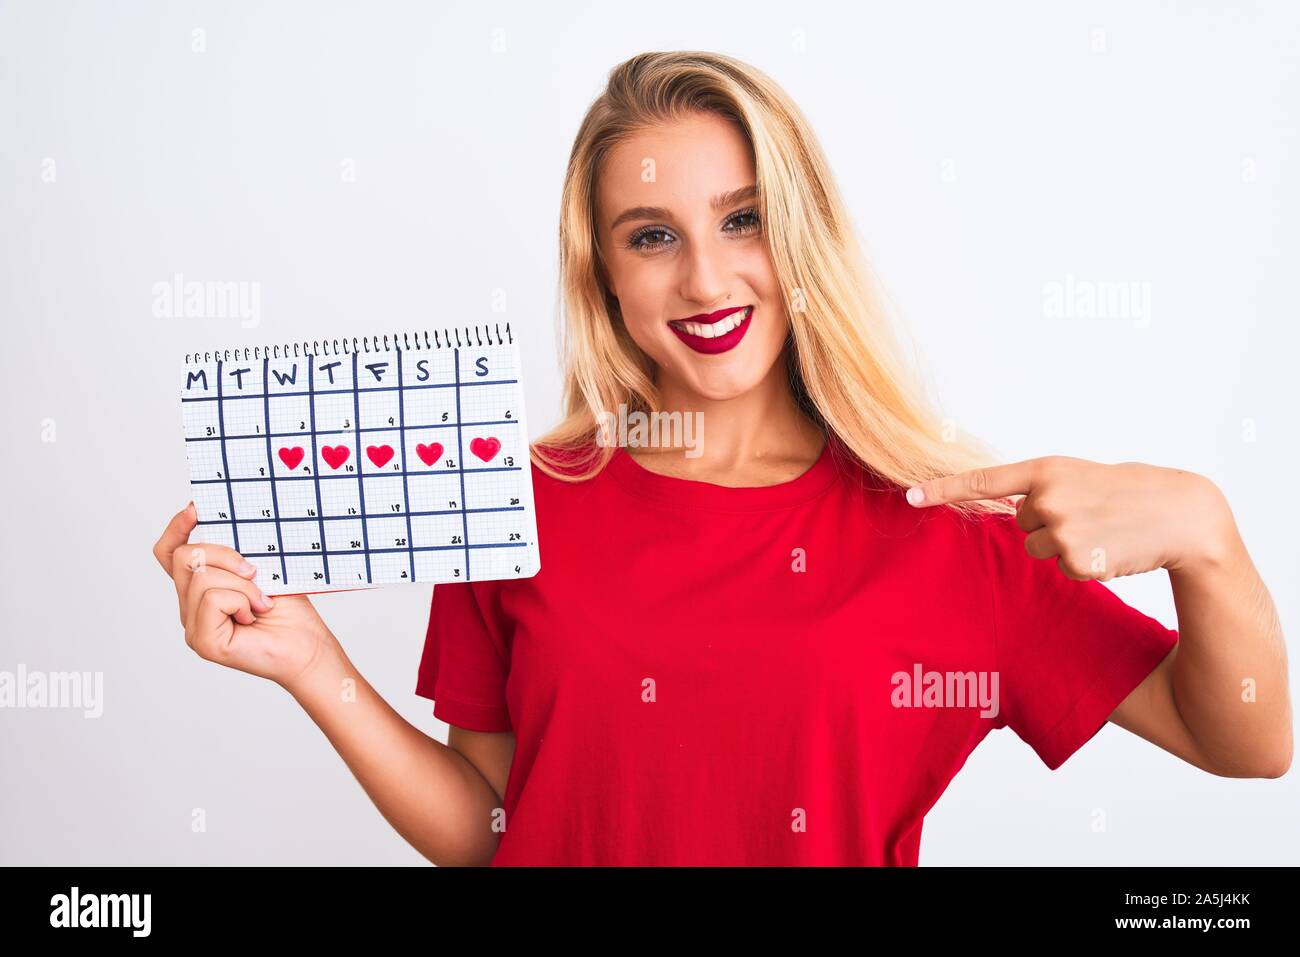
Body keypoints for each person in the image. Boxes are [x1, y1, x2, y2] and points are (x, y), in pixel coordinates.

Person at [152, 51, 1291, 866]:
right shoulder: (524, 501)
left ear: (802, 239)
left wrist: (1207, 535)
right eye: (653, 237)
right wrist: (313, 666)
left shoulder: (953, 529)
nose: (705, 281)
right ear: (600, 271)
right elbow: (490, 832)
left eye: (742, 221)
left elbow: (1241, 740)